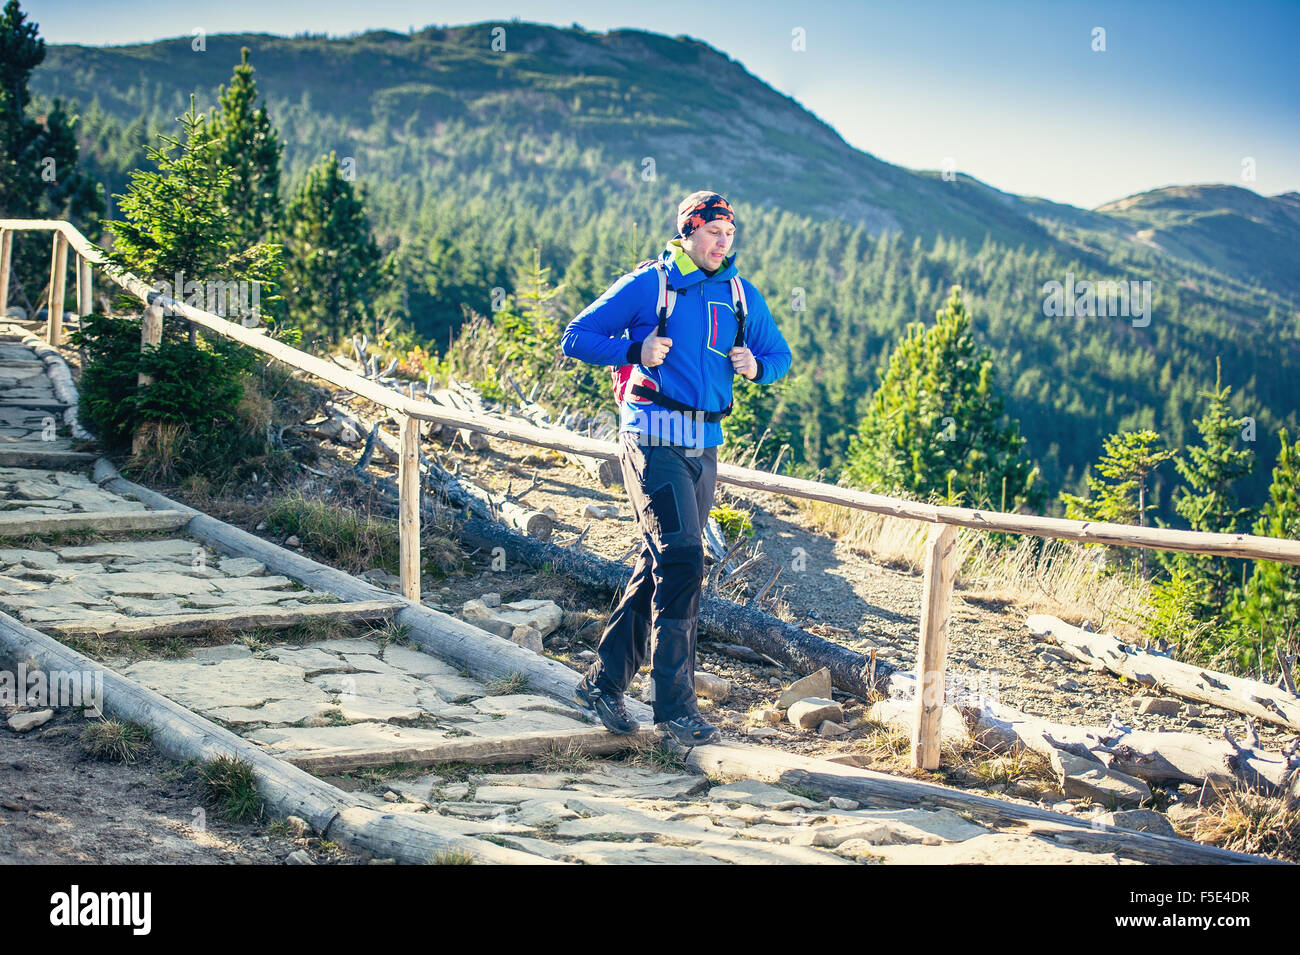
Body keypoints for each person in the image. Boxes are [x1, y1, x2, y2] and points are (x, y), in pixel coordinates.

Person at [560, 191, 792, 746]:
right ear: (688, 231)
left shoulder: (739, 294)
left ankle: (603, 681)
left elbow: (780, 356)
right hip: (651, 437)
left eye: (729, 234)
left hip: (704, 446)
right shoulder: (651, 284)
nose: (723, 242)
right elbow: (577, 337)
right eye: (713, 232)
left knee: (663, 561)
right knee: (685, 557)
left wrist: (756, 365)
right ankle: (674, 709)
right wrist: (635, 350)